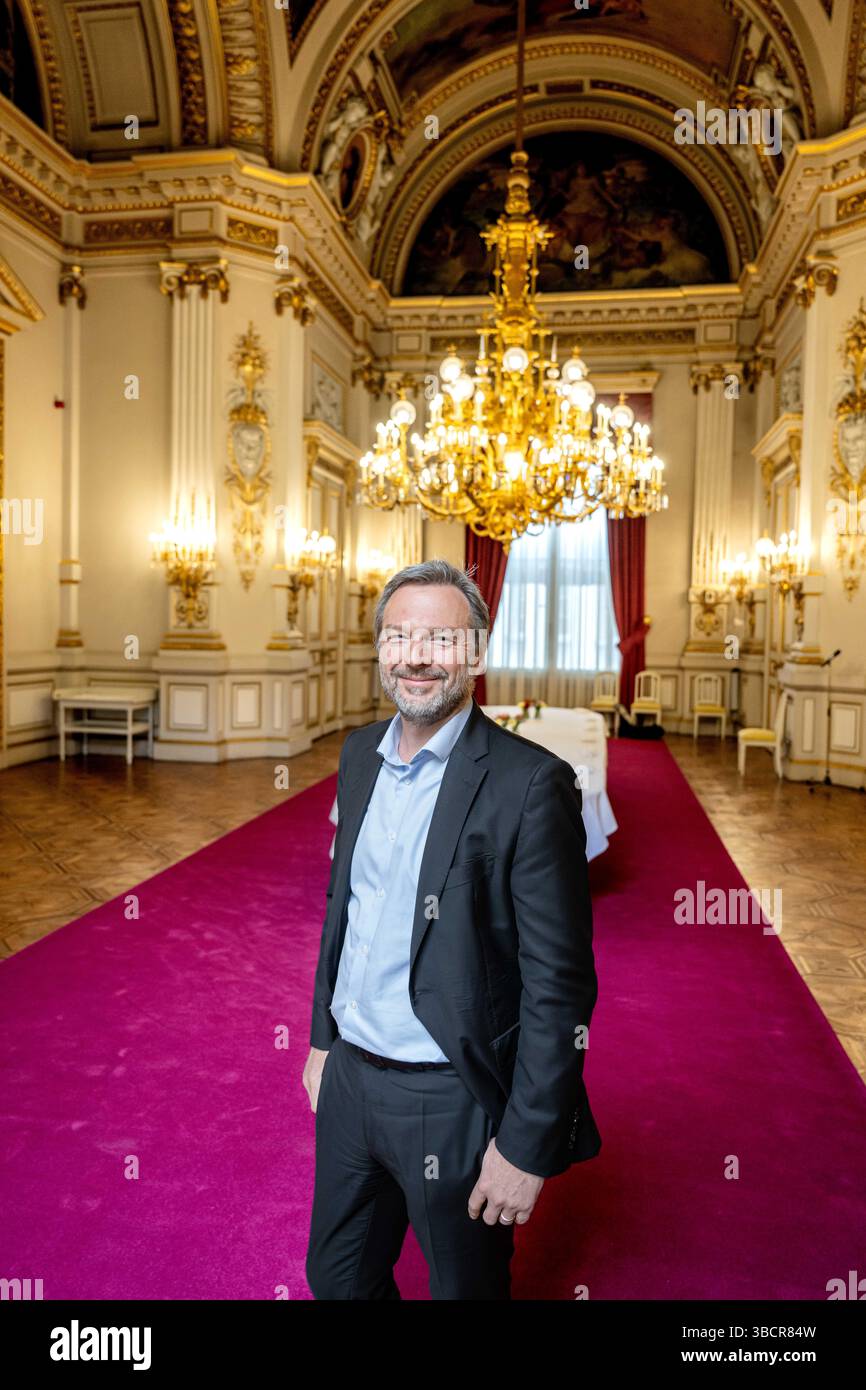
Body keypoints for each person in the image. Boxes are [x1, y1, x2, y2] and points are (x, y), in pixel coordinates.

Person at [303, 558, 600, 1300]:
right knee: (335, 1279)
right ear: (379, 650)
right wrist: (320, 1040)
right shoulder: (356, 757)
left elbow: (558, 986)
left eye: (440, 637)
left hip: (452, 1094)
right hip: (350, 1080)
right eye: (399, 636)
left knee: (463, 1289)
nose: (416, 655)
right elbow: (346, 907)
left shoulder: (531, 784)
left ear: (476, 653)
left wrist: (526, 1145)